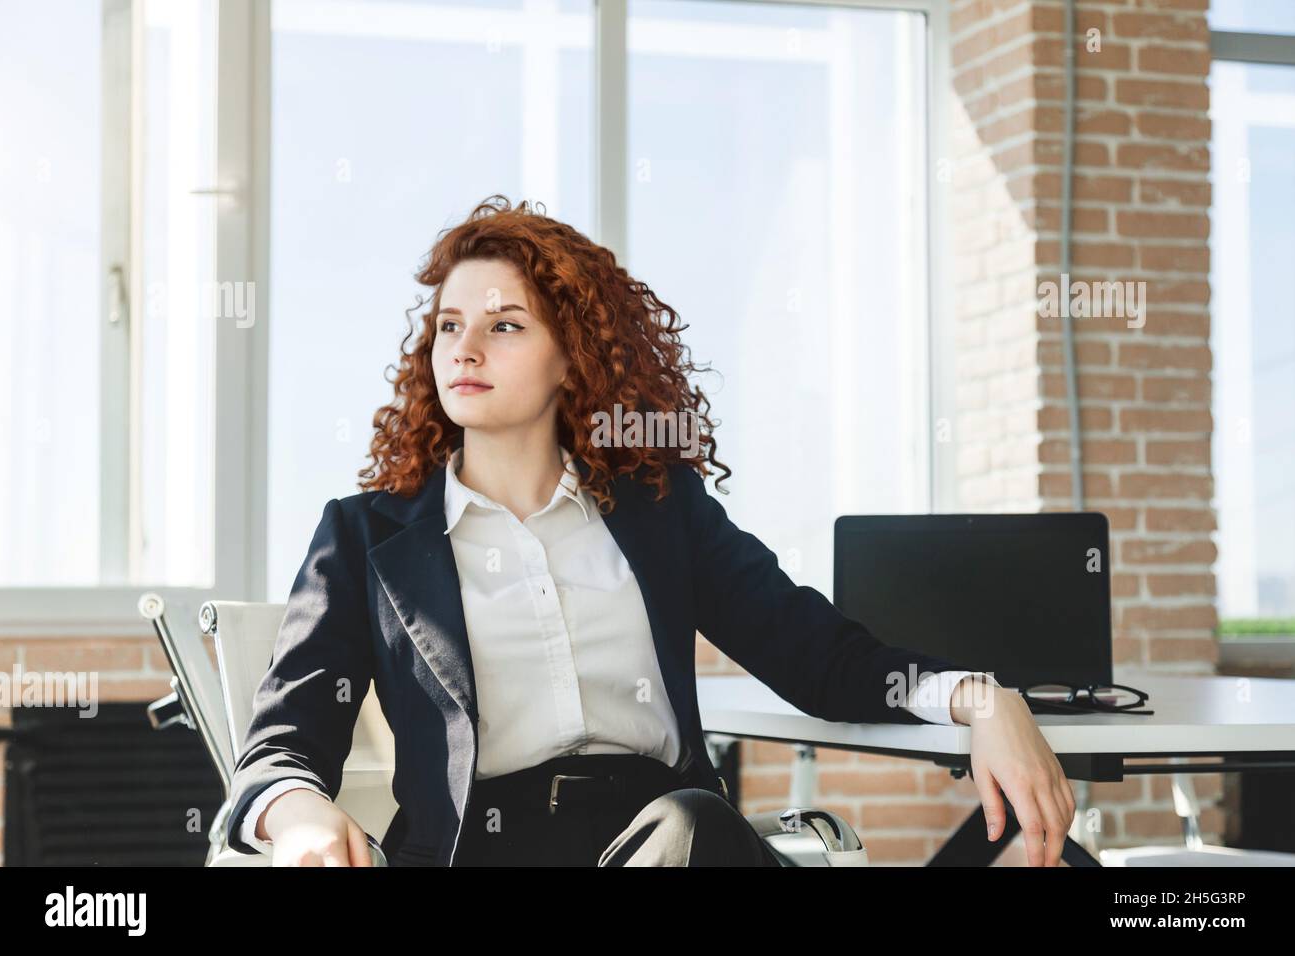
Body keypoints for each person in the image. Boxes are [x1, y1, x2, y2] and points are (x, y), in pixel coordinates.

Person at [225, 195, 1076, 867]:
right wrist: (295, 812)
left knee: (689, 827)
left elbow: (823, 658)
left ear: (574, 357)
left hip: (669, 840)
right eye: (449, 325)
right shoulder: (364, 538)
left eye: (503, 325)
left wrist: (979, 698)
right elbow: (280, 747)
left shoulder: (662, 510)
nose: (465, 348)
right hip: (473, 849)